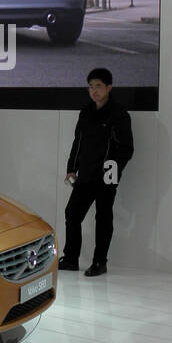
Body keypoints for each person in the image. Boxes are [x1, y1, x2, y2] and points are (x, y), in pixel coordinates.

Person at [61, 67, 133, 277]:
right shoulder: (86, 111)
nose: (94, 91)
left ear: (109, 88)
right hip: (85, 175)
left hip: (106, 177)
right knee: (72, 214)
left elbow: (126, 148)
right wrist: (71, 169)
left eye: (99, 86)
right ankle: (71, 259)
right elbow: (78, 142)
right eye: (91, 87)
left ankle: (100, 262)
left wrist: (113, 169)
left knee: (103, 219)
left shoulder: (119, 114)